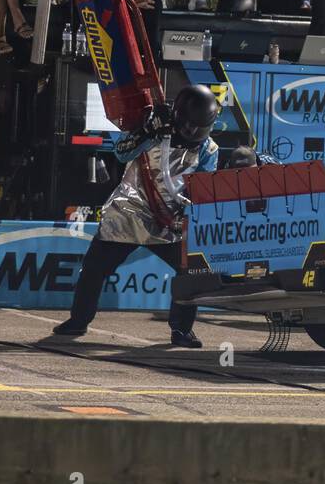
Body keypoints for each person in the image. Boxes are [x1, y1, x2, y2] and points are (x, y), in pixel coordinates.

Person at [53, 86, 220, 345]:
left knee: (191, 271)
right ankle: (78, 321)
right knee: (93, 270)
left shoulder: (208, 149)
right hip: (128, 213)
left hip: (170, 220)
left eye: (200, 128)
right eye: (190, 127)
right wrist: (146, 131)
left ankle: (181, 329)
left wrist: (185, 212)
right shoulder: (154, 129)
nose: (193, 134)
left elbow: (204, 189)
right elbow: (122, 152)